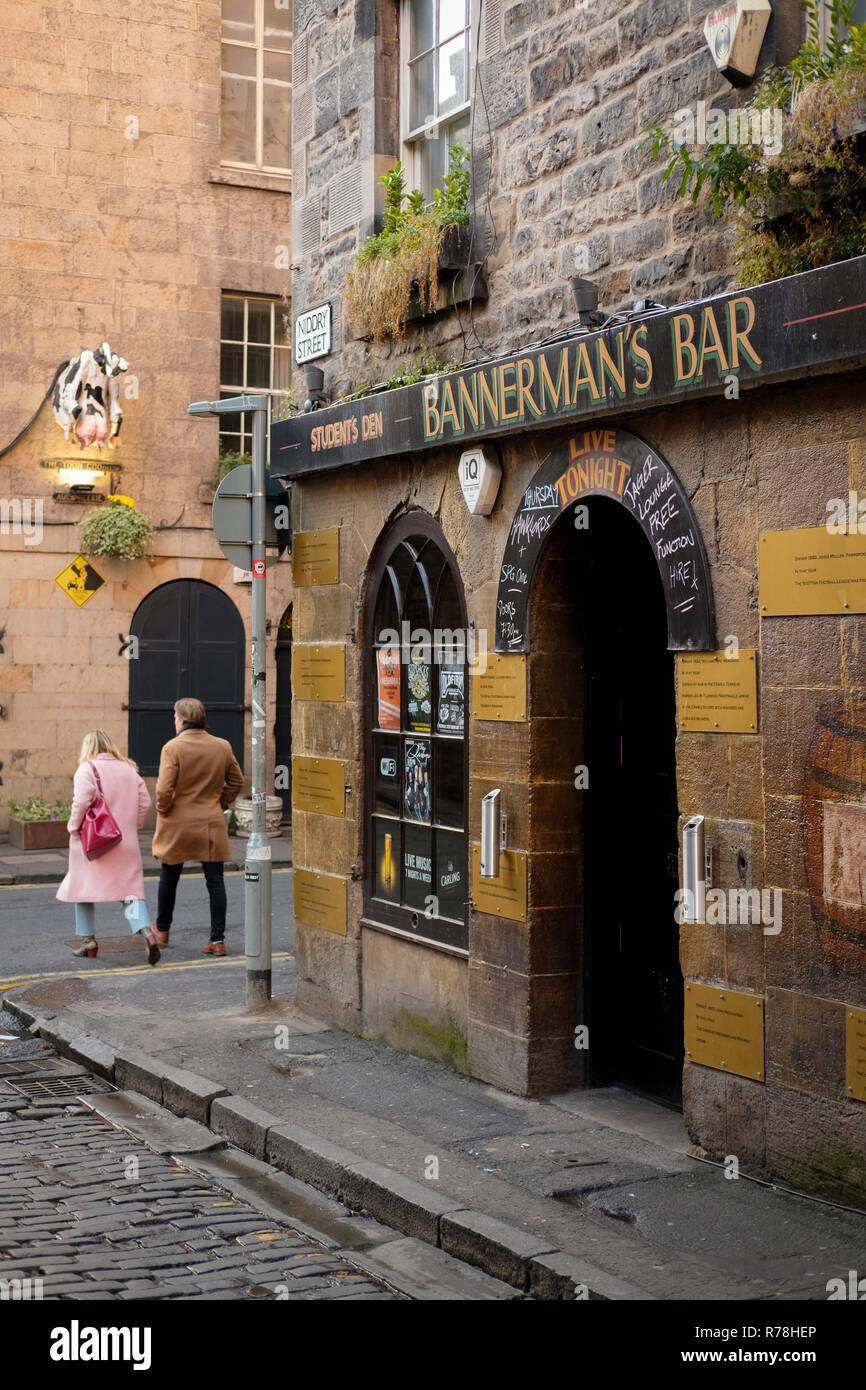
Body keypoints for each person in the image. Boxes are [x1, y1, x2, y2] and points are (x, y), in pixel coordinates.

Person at [57, 730, 161, 965]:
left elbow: (81, 800)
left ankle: (88, 941)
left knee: (82, 888)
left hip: (94, 842)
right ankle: (146, 933)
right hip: (125, 842)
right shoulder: (129, 770)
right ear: (110, 746)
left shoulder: (87, 769)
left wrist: (73, 827)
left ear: (88, 748)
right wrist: (132, 824)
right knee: (130, 891)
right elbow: (145, 802)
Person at [152, 697, 243, 956]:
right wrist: (220, 802)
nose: (174, 720)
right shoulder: (222, 746)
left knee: (169, 876)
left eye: (175, 716)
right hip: (209, 823)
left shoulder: (172, 747)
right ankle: (217, 941)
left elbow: (163, 789)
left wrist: (165, 809)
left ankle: (163, 930)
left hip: (177, 824)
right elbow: (236, 780)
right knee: (215, 881)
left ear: (182, 720)